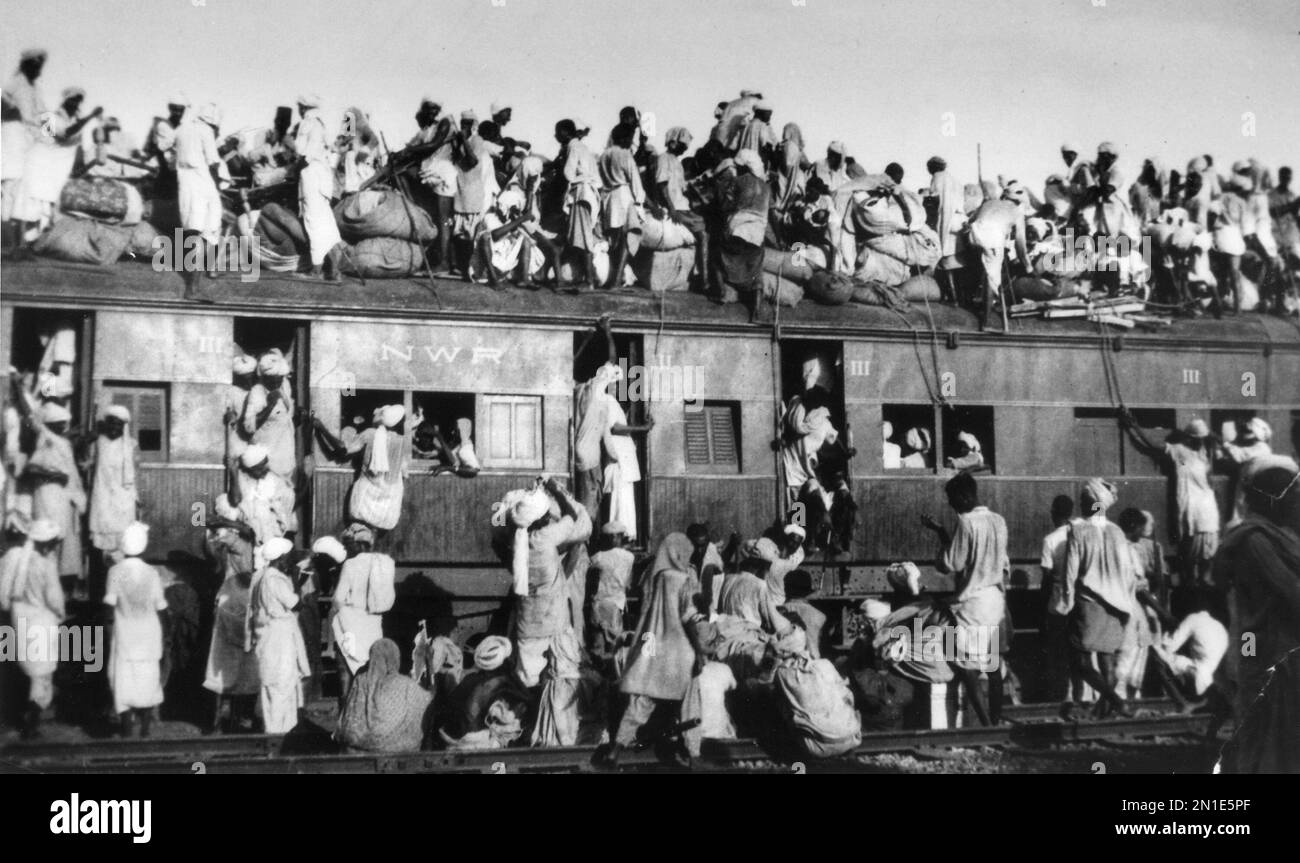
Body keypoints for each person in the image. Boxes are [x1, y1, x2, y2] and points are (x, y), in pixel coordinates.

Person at [1211, 460, 1300, 724]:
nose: (1297, 505)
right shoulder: (1255, 540)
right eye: (1294, 499)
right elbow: (1293, 593)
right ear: (1274, 500)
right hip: (1267, 645)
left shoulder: (1277, 536)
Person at [609, 533, 707, 766]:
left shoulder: (655, 576)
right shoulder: (685, 579)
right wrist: (700, 652)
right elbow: (689, 617)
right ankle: (693, 754)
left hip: (654, 645)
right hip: (680, 649)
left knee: (643, 699)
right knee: (689, 701)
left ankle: (616, 747)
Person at [921, 472, 1009, 725]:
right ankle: (997, 720)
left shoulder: (966, 522)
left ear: (962, 496)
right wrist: (941, 531)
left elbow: (952, 563)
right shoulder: (998, 520)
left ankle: (986, 725)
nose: (950, 504)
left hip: (974, 603)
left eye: (951, 498)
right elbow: (981, 557)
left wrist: (941, 547)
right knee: (992, 666)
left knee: (968, 667)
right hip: (995, 599)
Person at [491, 479, 591, 690]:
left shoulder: (516, 543)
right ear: (543, 518)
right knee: (563, 673)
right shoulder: (545, 538)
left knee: (527, 678)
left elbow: (497, 527)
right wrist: (558, 490)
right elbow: (573, 517)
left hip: (527, 621)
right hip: (554, 619)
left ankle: (528, 708)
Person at [1057, 478, 1137, 718]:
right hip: (1117, 604)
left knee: (1080, 663)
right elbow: (1128, 573)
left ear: (1091, 503)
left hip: (1088, 603)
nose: (1080, 504)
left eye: (1083, 500)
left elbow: (1070, 573)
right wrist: (1127, 605)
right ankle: (1105, 714)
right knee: (1107, 661)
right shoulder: (1117, 532)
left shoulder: (1078, 530)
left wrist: (1066, 603)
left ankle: (1116, 701)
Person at [1121, 412, 1220, 592]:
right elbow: (1151, 444)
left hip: (1194, 513)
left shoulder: (1187, 451)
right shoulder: (1201, 453)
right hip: (1207, 514)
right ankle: (1201, 599)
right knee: (1202, 565)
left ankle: (1194, 599)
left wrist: (1134, 426)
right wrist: (1134, 427)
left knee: (1190, 566)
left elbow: (1150, 444)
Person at [10, 86, 101, 257]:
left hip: (55, 172)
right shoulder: (50, 117)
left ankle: (27, 249)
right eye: (73, 99)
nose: (76, 103)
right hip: (37, 166)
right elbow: (64, 134)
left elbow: (76, 147)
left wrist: (79, 170)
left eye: (79, 101)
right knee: (25, 206)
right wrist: (90, 117)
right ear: (65, 100)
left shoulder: (76, 123)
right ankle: (17, 247)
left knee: (44, 212)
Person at [0, 518, 64, 738]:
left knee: (26, 671)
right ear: (47, 543)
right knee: (43, 675)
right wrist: (61, 614)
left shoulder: (19, 559)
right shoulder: (46, 565)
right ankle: (31, 722)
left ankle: (22, 717)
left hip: (21, 620)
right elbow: (54, 599)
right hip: (42, 622)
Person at [103, 522, 168, 737]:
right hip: (149, 633)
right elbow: (161, 608)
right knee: (148, 678)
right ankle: (146, 730)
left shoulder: (116, 571)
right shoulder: (152, 573)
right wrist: (166, 635)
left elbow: (109, 605)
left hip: (125, 633)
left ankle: (126, 730)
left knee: (123, 680)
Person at [17, 396, 86, 594]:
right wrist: (54, 475)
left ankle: (58, 590)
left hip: (62, 497)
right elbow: (32, 469)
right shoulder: (44, 438)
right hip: (47, 495)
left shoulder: (60, 441)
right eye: (60, 424)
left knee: (63, 542)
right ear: (51, 424)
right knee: (48, 538)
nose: (64, 426)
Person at [314, 404, 417, 533]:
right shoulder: (401, 441)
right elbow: (404, 472)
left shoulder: (370, 434)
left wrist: (320, 427)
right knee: (374, 533)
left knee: (359, 531)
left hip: (366, 493)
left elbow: (342, 449)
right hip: (389, 498)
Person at [202, 514, 259, 733]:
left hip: (230, 603)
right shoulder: (246, 546)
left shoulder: (236, 545)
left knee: (223, 663)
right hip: (241, 604)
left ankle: (219, 722)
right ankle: (237, 720)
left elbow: (216, 538)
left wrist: (225, 525)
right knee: (244, 665)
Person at [246, 536, 309, 733]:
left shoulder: (260, 577)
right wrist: (298, 580)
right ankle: (276, 735)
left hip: (268, 637)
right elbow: (296, 603)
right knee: (282, 683)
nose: (291, 561)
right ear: (281, 558)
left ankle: (279, 731)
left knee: (273, 686)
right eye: (289, 557)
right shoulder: (275, 579)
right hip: (279, 638)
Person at [330, 522, 396, 706]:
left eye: (349, 545)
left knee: (346, 677)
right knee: (371, 676)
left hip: (351, 625)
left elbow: (338, 598)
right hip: (373, 627)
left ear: (359, 544)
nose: (346, 549)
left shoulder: (350, 565)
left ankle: (345, 723)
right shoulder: (384, 563)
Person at [1040, 493, 1094, 707]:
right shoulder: (1081, 529)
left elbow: (1046, 579)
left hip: (1058, 603)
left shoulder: (1050, 540)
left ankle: (1067, 696)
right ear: (1071, 512)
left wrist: (1042, 608)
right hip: (1080, 600)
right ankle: (1086, 696)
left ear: (1054, 513)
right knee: (1081, 651)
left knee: (1060, 652)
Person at [336, 637, 432, 752]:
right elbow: (428, 699)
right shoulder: (407, 685)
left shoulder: (361, 681)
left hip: (359, 747)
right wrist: (430, 664)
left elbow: (348, 723)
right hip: (399, 748)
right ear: (395, 658)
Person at [174, 102, 224, 299]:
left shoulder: (181, 129)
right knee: (210, 231)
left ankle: (195, 283)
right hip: (203, 182)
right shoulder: (206, 131)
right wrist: (217, 185)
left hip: (185, 183)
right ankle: (194, 287)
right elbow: (213, 161)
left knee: (194, 233)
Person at [292, 94, 345, 280]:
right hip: (322, 176)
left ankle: (316, 270)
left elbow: (305, 153)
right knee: (326, 222)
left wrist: (292, 170)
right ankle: (334, 270)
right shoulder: (322, 123)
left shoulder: (308, 123)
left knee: (313, 222)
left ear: (303, 107)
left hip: (311, 175)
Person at [654, 126, 709, 289]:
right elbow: (662, 185)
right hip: (678, 208)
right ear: (672, 143)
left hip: (683, 206)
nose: (684, 149)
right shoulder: (664, 158)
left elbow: (681, 188)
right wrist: (671, 208)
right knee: (704, 236)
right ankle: (704, 279)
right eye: (682, 146)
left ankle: (699, 275)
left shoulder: (677, 162)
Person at [1, 49, 47, 247]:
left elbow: (44, 114)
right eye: (36, 67)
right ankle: (6, 241)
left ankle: (19, 243)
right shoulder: (14, 84)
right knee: (10, 188)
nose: (38, 71)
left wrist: (49, 138)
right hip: (12, 137)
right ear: (27, 66)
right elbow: (3, 110)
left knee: (25, 191)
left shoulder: (35, 89)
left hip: (30, 141)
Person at [87, 405, 138, 573]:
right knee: (100, 546)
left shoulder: (131, 445)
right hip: (102, 500)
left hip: (124, 502)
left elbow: (134, 475)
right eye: (112, 423)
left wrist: (136, 498)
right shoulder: (98, 443)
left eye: (119, 424)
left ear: (124, 426)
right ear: (106, 424)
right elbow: (86, 465)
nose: (114, 428)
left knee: (123, 544)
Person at [716, 148, 771, 301]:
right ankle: (757, 307)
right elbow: (770, 215)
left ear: (744, 167)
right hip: (757, 236)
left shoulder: (738, 181)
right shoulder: (766, 187)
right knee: (756, 270)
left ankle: (722, 292)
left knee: (717, 254)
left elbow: (725, 206)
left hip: (736, 231)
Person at [597, 123, 645, 289]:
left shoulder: (604, 155)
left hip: (609, 198)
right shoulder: (625, 154)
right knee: (627, 239)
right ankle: (616, 280)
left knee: (615, 240)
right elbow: (635, 181)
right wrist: (640, 201)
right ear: (625, 138)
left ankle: (613, 278)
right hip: (624, 197)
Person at [298, 536, 345, 702]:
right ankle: (304, 699)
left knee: (312, 651)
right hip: (303, 612)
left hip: (309, 611)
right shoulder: (307, 569)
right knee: (308, 653)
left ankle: (309, 696)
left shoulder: (317, 568)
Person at [558, 118, 602, 291]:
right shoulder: (584, 148)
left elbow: (568, 173)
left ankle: (589, 280)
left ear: (565, 133)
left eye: (558, 132)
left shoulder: (573, 147)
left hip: (582, 193)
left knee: (583, 237)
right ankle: (591, 276)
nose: (556, 136)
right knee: (583, 235)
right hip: (589, 193)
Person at [242, 349, 297, 484]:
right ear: (264, 377)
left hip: (285, 455)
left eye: (280, 378)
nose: (278, 383)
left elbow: (288, 412)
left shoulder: (285, 385)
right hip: (267, 459)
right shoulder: (257, 392)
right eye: (274, 380)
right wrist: (269, 406)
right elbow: (249, 427)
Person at [587, 521, 635, 669]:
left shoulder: (598, 557)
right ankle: (614, 676)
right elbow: (629, 582)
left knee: (597, 646)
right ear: (616, 537)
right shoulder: (629, 557)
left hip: (598, 604)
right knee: (615, 646)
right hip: (616, 605)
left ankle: (598, 679)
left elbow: (589, 576)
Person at [226, 444, 296, 544]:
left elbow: (287, 504)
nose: (265, 469)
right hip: (248, 530)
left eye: (265, 465)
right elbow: (235, 500)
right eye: (260, 468)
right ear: (250, 470)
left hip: (272, 530)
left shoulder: (275, 480)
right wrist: (233, 472)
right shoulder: (242, 478)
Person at [926, 156, 967, 302]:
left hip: (948, 222)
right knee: (957, 261)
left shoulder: (937, 177)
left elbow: (934, 198)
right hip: (959, 221)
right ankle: (960, 297)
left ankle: (952, 297)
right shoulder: (954, 179)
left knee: (946, 260)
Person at [144, 94, 188, 198]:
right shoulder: (162, 125)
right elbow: (158, 148)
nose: (178, 113)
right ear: (170, 109)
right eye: (175, 110)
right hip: (162, 163)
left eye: (181, 110)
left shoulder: (184, 127)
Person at [223, 355, 256, 492]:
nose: (248, 381)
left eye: (250, 376)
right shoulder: (232, 391)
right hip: (238, 437)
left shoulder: (257, 391)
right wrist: (230, 416)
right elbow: (228, 410)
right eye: (245, 378)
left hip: (255, 435)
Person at [780, 570, 826, 659]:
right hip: (812, 662)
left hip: (787, 662)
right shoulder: (820, 616)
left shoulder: (779, 611)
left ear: (786, 589)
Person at [687, 522, 726, 615]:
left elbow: (721, 569)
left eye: (703, 546)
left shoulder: (712, 554)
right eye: (696, 546)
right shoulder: (682, 563)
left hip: (710, 611)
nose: (699, 550)